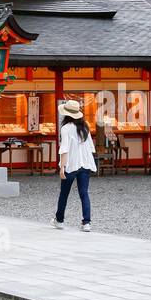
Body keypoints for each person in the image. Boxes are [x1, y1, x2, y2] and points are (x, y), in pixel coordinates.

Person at [53, 98, 97, 231]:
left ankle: (59, 220)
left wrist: (62, 167)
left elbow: (64, 149)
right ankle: (86, 223)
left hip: (71, 164)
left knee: (64, 193)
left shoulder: (66, 128)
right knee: (84, 193)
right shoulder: (85, 126)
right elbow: (91, 147)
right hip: (85, 163)